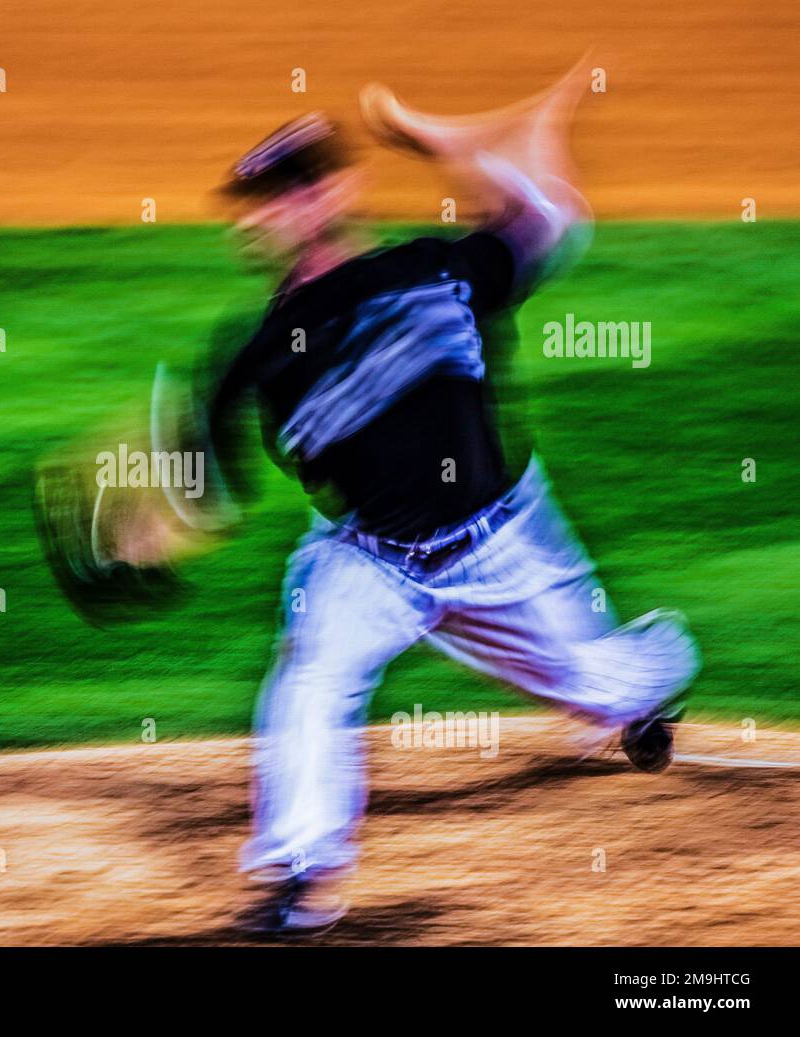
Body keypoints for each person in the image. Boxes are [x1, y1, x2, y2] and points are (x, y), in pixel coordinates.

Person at [196, 71, 700, 935]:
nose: (270, 212)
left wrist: (454, 146)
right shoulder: (254, 352)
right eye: (259, 201)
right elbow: (208, 475)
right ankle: (299, 875)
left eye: (290, 190)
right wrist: (156, 521)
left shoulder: (434, 266)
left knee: (594, 680)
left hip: (501, 545)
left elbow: (553, 220)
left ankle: (647, 692)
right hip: (367, 559)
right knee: (312, 671)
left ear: (335, 192)